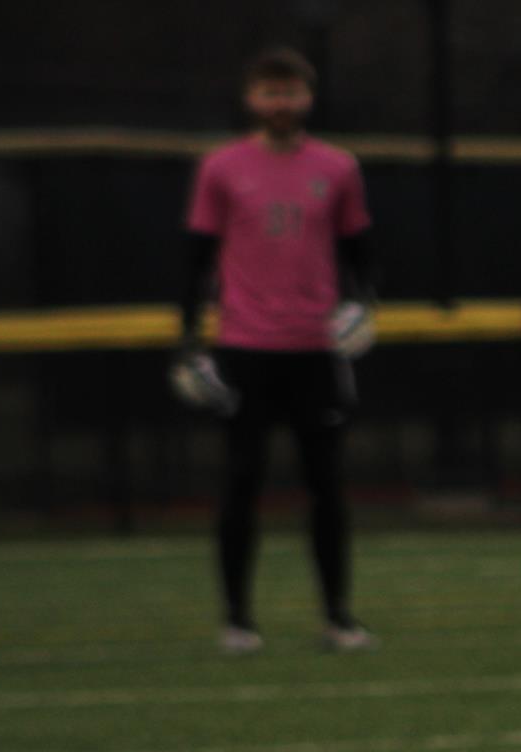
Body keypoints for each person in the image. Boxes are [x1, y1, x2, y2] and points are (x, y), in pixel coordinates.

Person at [179, 46, 378, 655]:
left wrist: (362, 306)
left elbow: (360, 253)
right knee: (242, 481)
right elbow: (194, 262)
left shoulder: (338, 167)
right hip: (245, 347)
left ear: (307, 98)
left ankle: (337, 616)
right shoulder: (220, 168)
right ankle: (238, 619)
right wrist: (191, 344)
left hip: (314, 349)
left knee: (326, 483)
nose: (281, 103)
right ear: (251, 100)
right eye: (270, 92)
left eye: (290, 92)